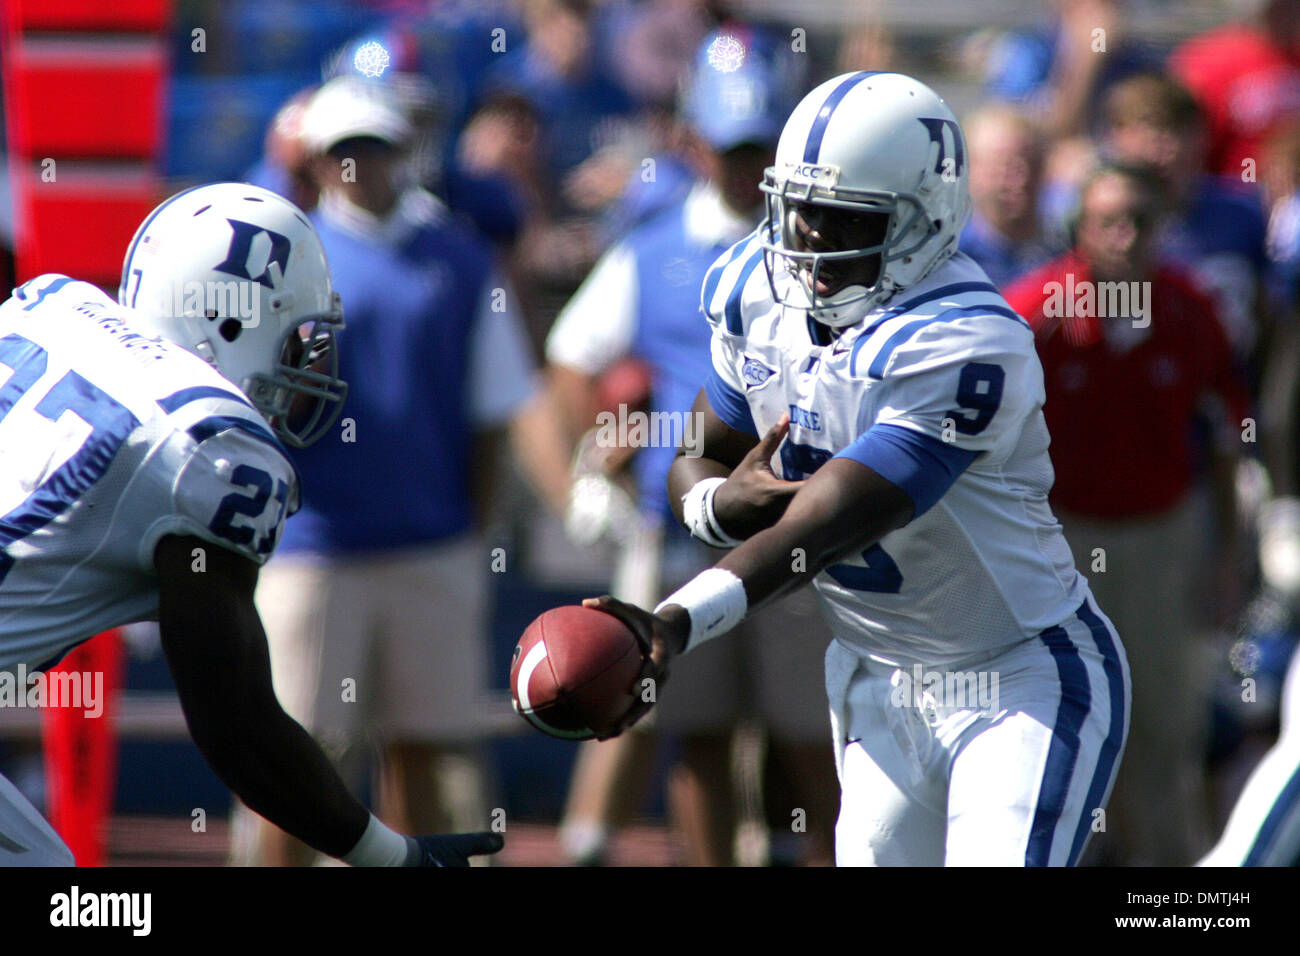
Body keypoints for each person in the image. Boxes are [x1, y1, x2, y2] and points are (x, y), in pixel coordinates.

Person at [587, 71, 1130, 866]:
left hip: (1019, 674)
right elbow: (702, 446)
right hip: (879, 676)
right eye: (797, 209)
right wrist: (710, 503)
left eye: (842, 217)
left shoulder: (966, 337)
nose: (807, 240)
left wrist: (675, 621)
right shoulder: (755, 289)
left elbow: (834, 516)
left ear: (925, 219)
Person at [0, 182, 501, 866]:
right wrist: (395, 856)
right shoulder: (211, 445)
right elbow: (237, 726)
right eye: (298, 337)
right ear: (233, 320)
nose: (307, 362)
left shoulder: (52, 304)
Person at [546, 27, 836, 866]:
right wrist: (602, 453)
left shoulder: (817, 245)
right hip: (686, 528)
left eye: (758, 146)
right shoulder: (654, 246)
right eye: (729, 144)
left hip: (801, 524)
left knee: (812, 741)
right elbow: (572, 355)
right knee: (698, 732)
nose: (743, 166)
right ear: (693, 139)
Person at [234, 77, 536, 866]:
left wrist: (470, 530)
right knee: (295, 758)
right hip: (313, 547)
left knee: (437, 752)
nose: (362, 165)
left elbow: (492, 414)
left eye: (376, 147)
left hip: (429, 545)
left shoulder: (462, 261)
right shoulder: (285, 260)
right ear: (321, 162)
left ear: (404, 152)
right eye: (346, 150)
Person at [1005, 162, 1250, 865]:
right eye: (1109, 220)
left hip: (1161, 534)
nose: (1126, 236)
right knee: (1064, 722)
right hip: (1060, 539)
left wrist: (1227, 557)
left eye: (1141, 219)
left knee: (1166, 727)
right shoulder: (1034, 314)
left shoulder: (1187, 309)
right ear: (1078, 228)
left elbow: (1228, 439)